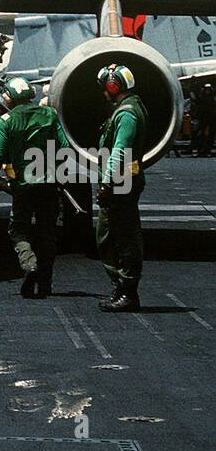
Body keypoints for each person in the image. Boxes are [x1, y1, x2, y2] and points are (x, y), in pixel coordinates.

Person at [0, 75, 69, 298]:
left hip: (22, 186)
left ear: (10, 97)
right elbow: (65, 146)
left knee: (19, 230)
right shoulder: (50, 114)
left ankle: (29, 264)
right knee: (47, 233)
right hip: (49, 183)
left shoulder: (7, 120)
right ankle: (45, 285)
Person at [95, 63, 148, 313]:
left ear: (113, 86)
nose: (103, 92)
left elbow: (120, 150)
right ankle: (122, 289)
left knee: (122, 237)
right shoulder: (129, 108)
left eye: (105, 86)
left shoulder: (126, 114)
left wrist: (107, 183)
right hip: (123, 180)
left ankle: (127, 291)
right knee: (108, 235)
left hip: (120, 183)